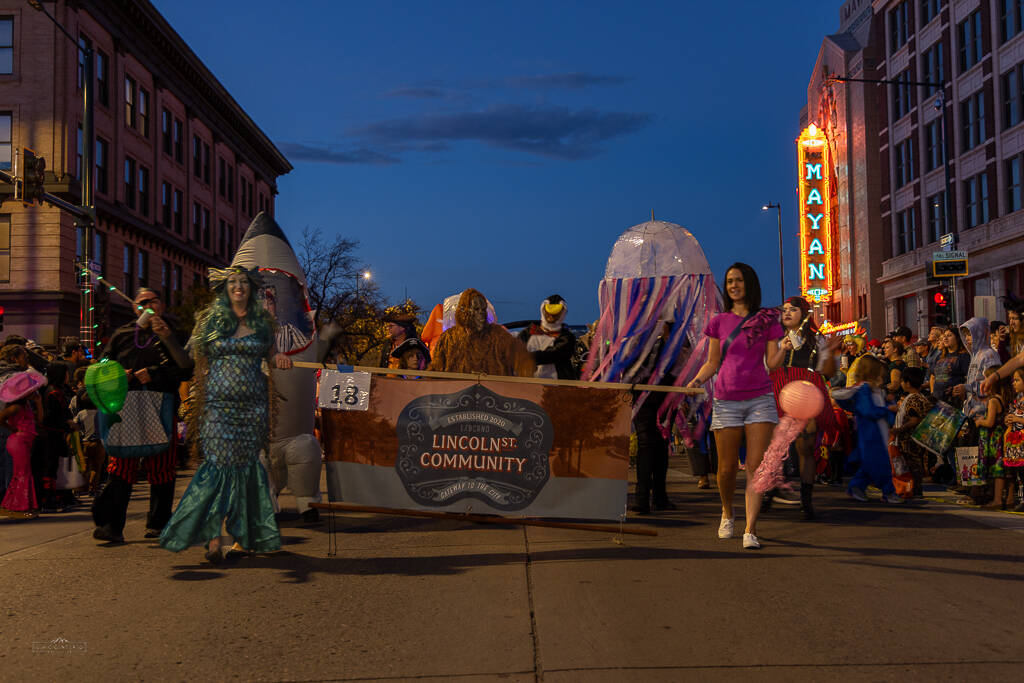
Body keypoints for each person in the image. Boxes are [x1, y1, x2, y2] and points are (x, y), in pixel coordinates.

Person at [160, 267, 292, 563]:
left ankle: (243, 540)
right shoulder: (209, 322)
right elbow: (185, 360)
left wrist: (281, 358)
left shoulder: (263, 323)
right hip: (218, 407)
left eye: (244, 282)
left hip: (252, 408)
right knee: (216, 468)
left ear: (251, 289)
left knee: (246, 472)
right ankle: (213, 538)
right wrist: (168, 337)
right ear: (224, 288)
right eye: (232, 282)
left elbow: (272, 356)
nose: (238, 287)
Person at [687, 262, 785, 550]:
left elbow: (771, 363)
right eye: (729, 281)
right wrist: (696, 380)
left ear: (749, 284)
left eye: (739, 280)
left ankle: (751, 529)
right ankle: (727, 512)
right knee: (727, 469)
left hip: (760, 399)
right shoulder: (719, 321)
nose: (733, 286)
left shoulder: (767, 319)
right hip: (726, 399)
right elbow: (713, 362)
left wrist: (783, 350)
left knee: (756, 466)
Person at [91, 288, 194, 544]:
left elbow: (187, 369)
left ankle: (158, 524)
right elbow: (101, 364)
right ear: (133, 307)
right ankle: (112, 526)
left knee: (162, 466)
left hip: (161, 403)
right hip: (126, 406)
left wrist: (156, 372)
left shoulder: (176, 332)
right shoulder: (123, 334)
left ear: (161, 305)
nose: (147, 305)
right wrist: (117, 373)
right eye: (142, 302)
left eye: (153, 301)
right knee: (121, 466)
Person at [765, 296, 838, 520]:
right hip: (779, 391)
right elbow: (770, 367)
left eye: (793, 310)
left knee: (805, 449)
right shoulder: (775, 338)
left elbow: (827, 372)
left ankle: (806, 501)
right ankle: (769, 489)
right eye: (784, 310)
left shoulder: (817, 340)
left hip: (806, 393)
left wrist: (831, 354)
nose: (787, 313)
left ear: (804, 313)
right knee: (774, 447)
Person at [831, 355, 904, 505]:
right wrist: (887, 408)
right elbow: (867, 410)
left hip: (878, 432)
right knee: (880, 464)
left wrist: (889, 404)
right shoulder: (864, 389)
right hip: (870, 434)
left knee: (870, 465)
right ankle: (888, 492)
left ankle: (857, 487)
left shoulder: (876, 390)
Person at [629, 321, 682, 514]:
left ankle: (660, 496)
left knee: (660, 444)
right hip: (643, 397)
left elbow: (681, 365)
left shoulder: (676, 338)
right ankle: (642, 498)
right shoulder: (636, 336)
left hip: (667, 396)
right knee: (646, 444)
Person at [429, 288, 534, 377]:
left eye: (483, 309)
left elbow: (523, 362)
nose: (481, 313)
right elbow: (435, 370)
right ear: (464, 311)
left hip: (493, 395)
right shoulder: (448, 338)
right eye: (476, 309)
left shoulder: (498, 335)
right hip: (458, 396)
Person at [0, 371, 45, 519]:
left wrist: (39, 403)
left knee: (23, 474)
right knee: (22, 475)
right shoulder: (16, 408)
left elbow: (40, 421)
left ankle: (18, 506)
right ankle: (18, 508)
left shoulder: (26, 406)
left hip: (24, 441)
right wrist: (13, 429)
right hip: (18, 442)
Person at [891, 366, 932, 498]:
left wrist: (898, 429)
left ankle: (915, 490)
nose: (902, 383)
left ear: (908, 383)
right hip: (916, 440)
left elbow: (914, 419)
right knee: (915, 466)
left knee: (913, 466)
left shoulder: (913, 399)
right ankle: (914, 490)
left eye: (902, 381)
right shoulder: (919, 397)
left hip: (911, 440)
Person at [517, 294, 578, 380]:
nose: (551, 316)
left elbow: (555, 354)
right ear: (543, 311)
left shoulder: (567, 337)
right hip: (529, 385)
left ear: (563, 313)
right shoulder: (526, 333)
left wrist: (528, 357)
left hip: (559, 386)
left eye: (556, 313)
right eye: (548, 312)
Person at [976, 368, 1010, 508]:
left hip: (994, 440)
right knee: (1002, 470)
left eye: (985, 379)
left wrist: (979, 421)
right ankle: (1004, 498)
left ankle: (997, 499)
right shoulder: (1001, 398)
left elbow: (990, 422)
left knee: (997, 470)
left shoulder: (993, 401)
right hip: (1000, 437)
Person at [959, 317, 1001, 420]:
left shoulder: (988, 355)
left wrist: (967, 387)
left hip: (984, 412)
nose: (967, 338)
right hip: (973, 410)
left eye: (970, 334)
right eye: (965, 335)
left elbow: (992, 384)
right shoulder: (974, 355)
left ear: (979, 333)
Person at [930, 328, 969, 407]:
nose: (945, 338)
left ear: (958, 338)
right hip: (937, 400)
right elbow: (933, 376)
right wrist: (932, 393)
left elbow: (968, 377)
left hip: (954, 401)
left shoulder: (963, 356)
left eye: (949, 335)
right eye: (944, 336)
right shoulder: (939, 356)